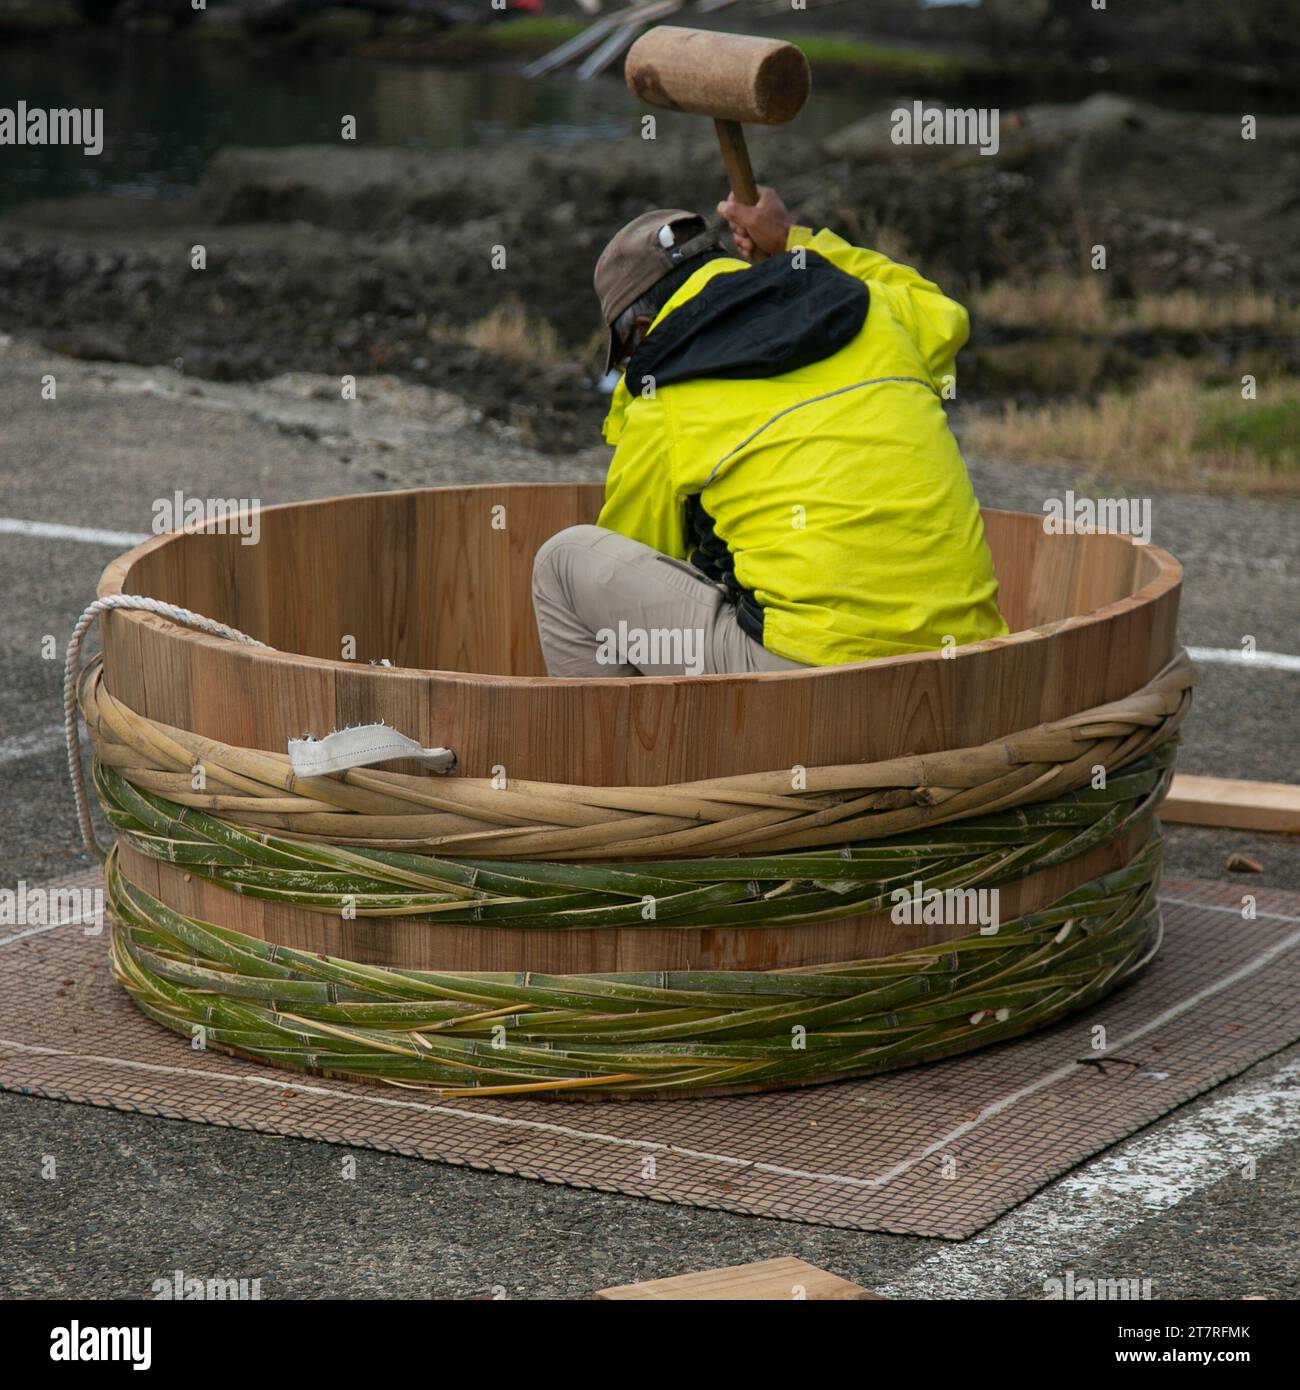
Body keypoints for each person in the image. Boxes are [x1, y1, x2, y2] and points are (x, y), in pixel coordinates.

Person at [531, 185, 1008, 678]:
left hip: (811, 680)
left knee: (565, 564)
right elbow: (945, 315)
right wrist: (789, 240)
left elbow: (641, 553)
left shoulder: (663, 396)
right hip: (972, 661)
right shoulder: (871, 308)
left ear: (645, 326)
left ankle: (626, 754)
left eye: (628, 353)